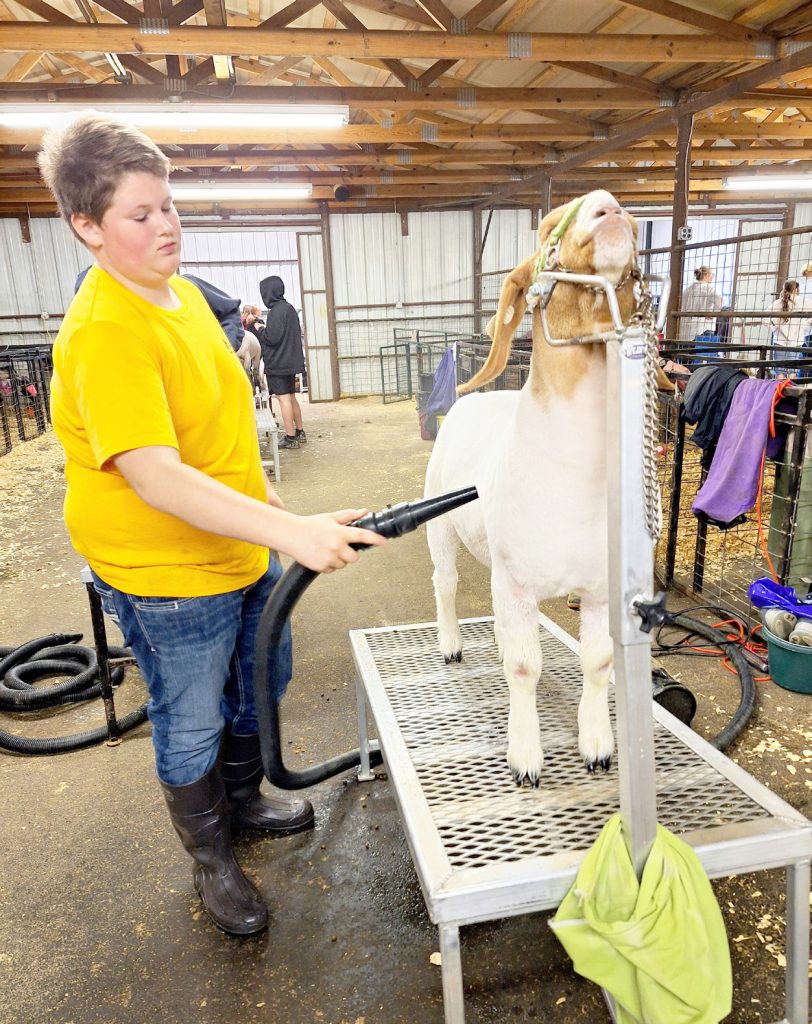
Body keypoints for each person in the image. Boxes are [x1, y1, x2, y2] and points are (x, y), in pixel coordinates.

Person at [38, 111, 385, 937]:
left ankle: (244, 798)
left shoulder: (184, 297)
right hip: (166, 576)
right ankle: (210, 859)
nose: (168, 225)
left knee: (262, 678)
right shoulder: (105, 333)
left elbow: (225, 433)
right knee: (189, 713)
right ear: (85, 226)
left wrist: (278, 514)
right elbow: (154, 476)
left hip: (242, 540)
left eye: (168, 205)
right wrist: (293, 535)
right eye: (140, 213)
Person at [252, 276, 307, 450]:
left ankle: (290, 437)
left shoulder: (276, 311)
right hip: (291, 362)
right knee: (291, 397)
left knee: (283, 400)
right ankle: (299, 431)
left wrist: (259, 328)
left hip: (278, 364)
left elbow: (272, 338)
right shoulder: (289, 309)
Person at [769, 279, 808, 378]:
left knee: (779, 373)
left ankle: (779, 392)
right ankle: (790, 393)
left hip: (779, 341)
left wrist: (774, 328)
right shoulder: (803, 302)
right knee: (792, 372)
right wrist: (805, 324)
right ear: (796, 290)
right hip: (796, 342)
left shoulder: (778, 302)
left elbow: (764, 319)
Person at [678, 265, 724, 345]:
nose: (712, 277)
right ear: (706, 275)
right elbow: (720, 299)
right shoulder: (709, 288)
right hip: (703, 329)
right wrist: (713, 313)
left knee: (685, 355)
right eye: (712, 274)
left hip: (685, 332)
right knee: (702, 356)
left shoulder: (687, 290)